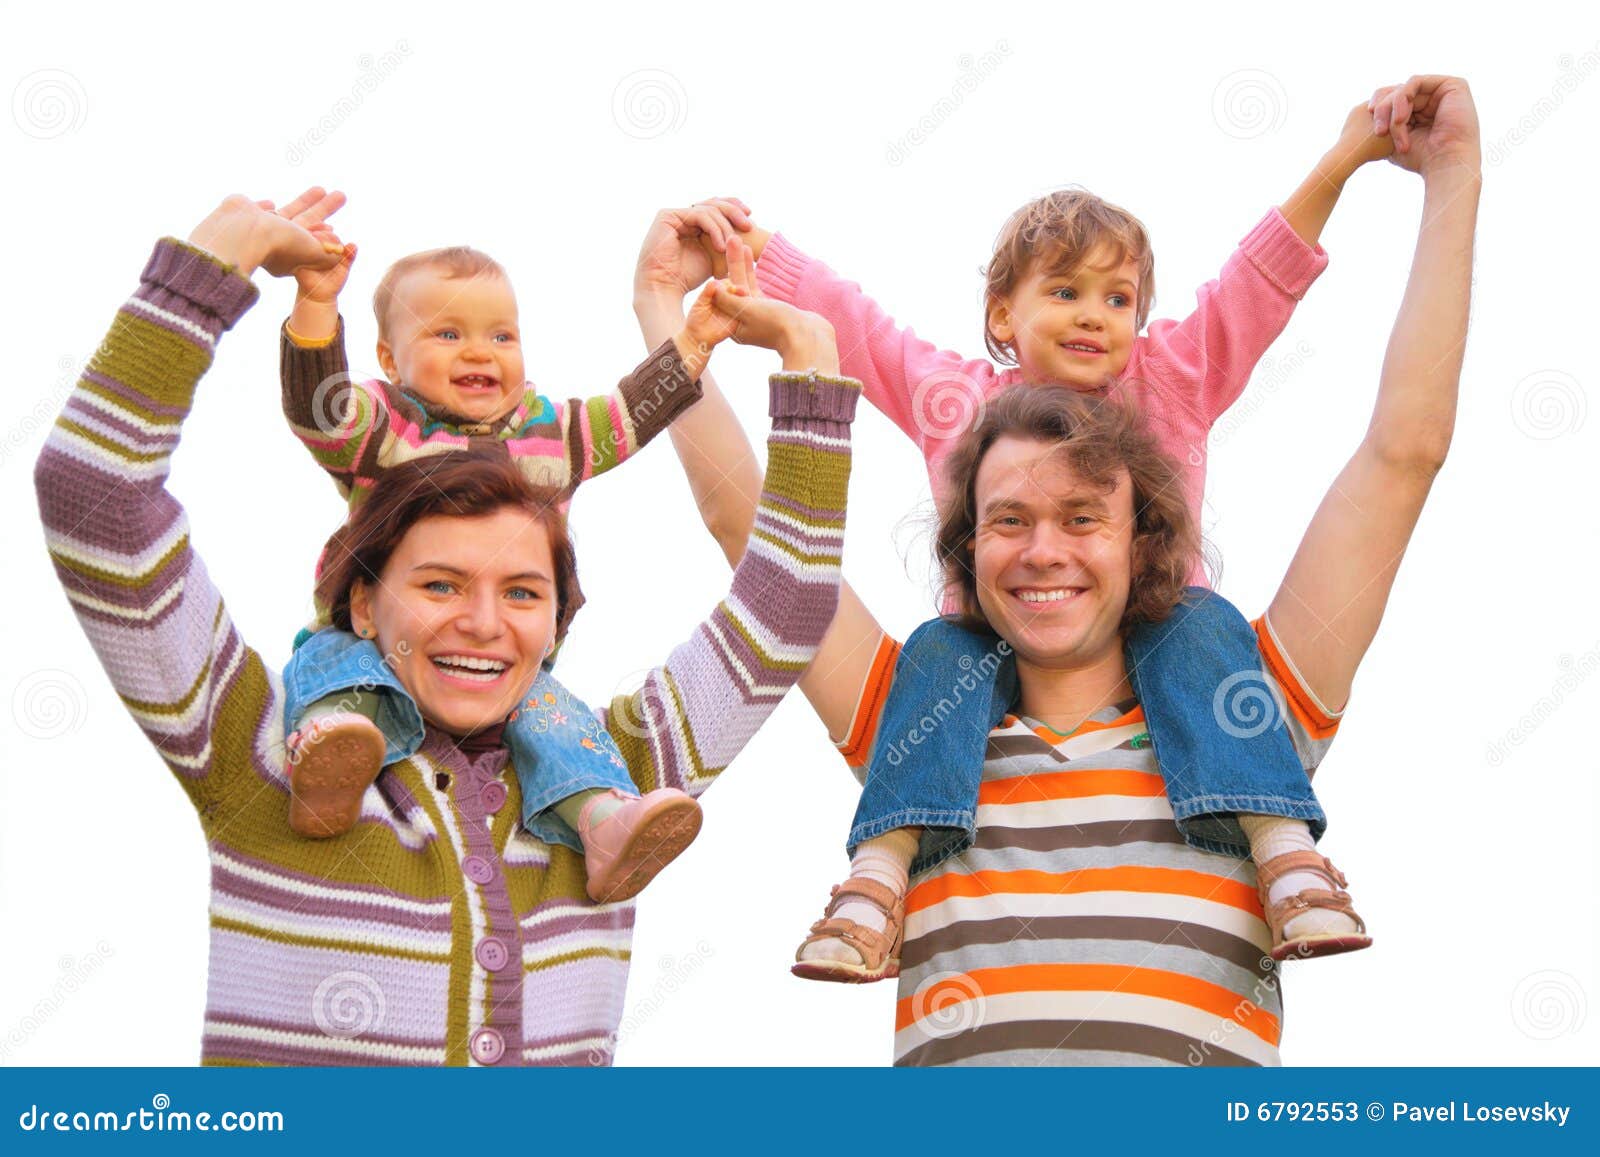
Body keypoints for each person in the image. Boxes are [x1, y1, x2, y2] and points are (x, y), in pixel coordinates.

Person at [681, 75, 1480, 1062]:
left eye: (1117, 297)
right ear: (1001, 314)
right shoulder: (934, 722)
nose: (1047, 547)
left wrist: (1370, 164)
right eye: (1010, 516)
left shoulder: (1235, 696)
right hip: (969, 674)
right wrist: (747, 260)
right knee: (938, 643)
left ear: (1139, 526)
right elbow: (850, 354)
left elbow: (1295, 336)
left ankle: (1283, 848)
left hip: (1187, 658)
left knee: (1201, 620)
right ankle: (878, 870)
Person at [34, 191, 860, 1066]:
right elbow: (95, 496)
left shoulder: (615, 779)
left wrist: (809, 356)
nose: (482, 623)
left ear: (558, 617)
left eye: (523, 593)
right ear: (362, 602)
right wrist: (217, 260)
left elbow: (787, 609)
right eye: (438, 583)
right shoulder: (257, 756)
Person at [271, 193, 734, 904]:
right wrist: (314, 302)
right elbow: (317, 408)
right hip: (375, 639)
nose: (480, 352)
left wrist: (694, 342)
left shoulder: (550, 431)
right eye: (448, 334)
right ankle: (332, 749)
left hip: (501, 664)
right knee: (334, 665)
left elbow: (629, 415)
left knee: (558, 721)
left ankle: (604, 824)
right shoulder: (386, 427)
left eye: (502, 336)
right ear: (391, 359)